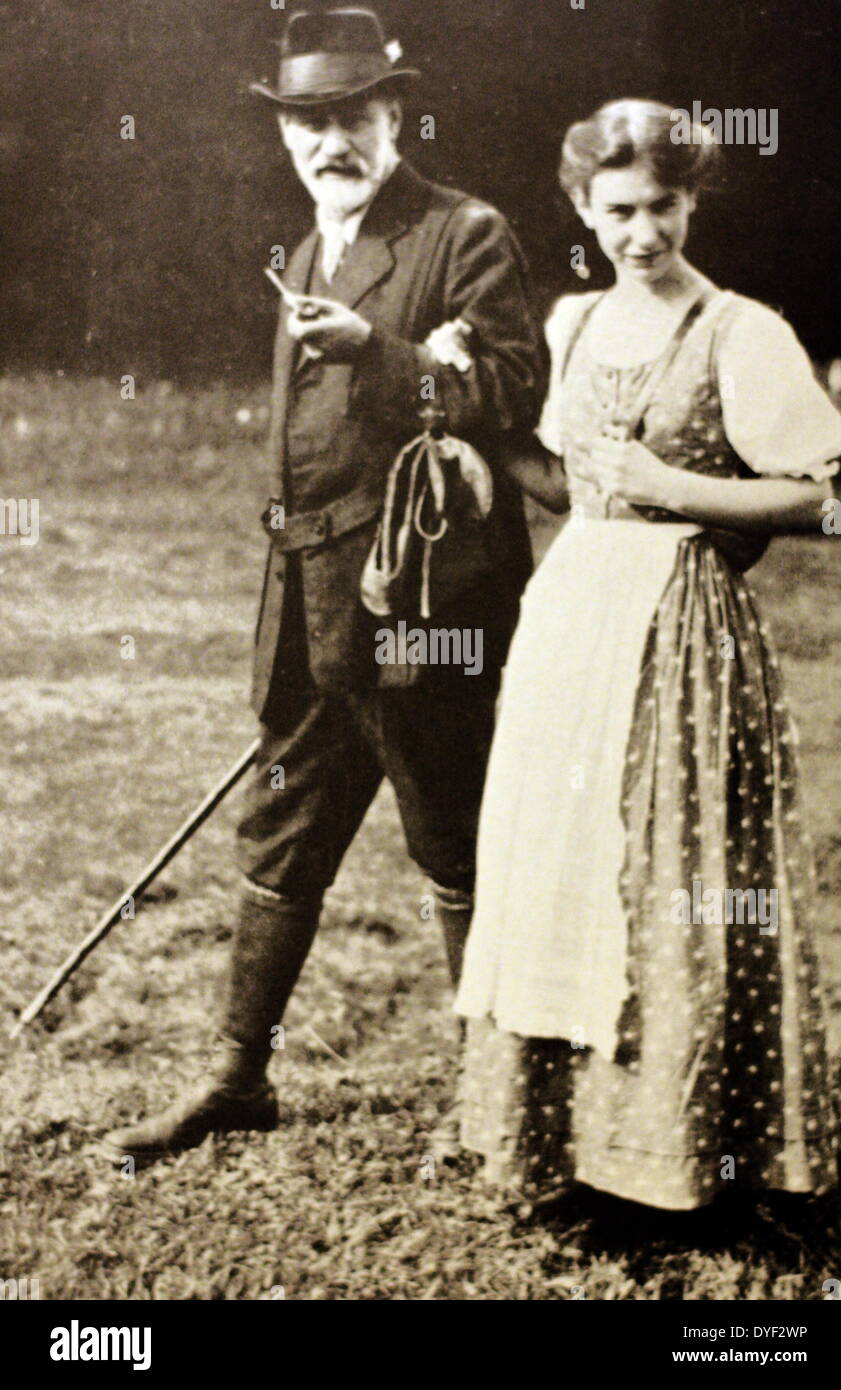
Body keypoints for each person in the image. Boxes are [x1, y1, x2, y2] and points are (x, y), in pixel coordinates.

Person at [101, 8, 548, 1165]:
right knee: (284, 826)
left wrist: (383, 356)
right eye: (307, 121)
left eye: (352, 116)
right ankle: (237, 1077)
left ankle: (495, 1103)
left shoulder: (463, 233)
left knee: (449, 834)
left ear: (395, 115)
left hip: (422, 606)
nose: (329, 140)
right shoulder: (306, 249)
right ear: (286, 134)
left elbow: (511, 389)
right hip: (306, 605)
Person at [454, 99, 841, 1209]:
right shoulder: (571, 323)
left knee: (667, 870)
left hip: (681, 626)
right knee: (557, 863)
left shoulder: (741, 330)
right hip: (572, 614)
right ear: (581, 207)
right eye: (617, 210)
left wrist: (673, 489)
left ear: (689, 202)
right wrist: (463, 426)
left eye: (662, 208)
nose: (642, 234)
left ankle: (679, 1155)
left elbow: (817, 499)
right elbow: (570, 486)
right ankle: (558, 1147)